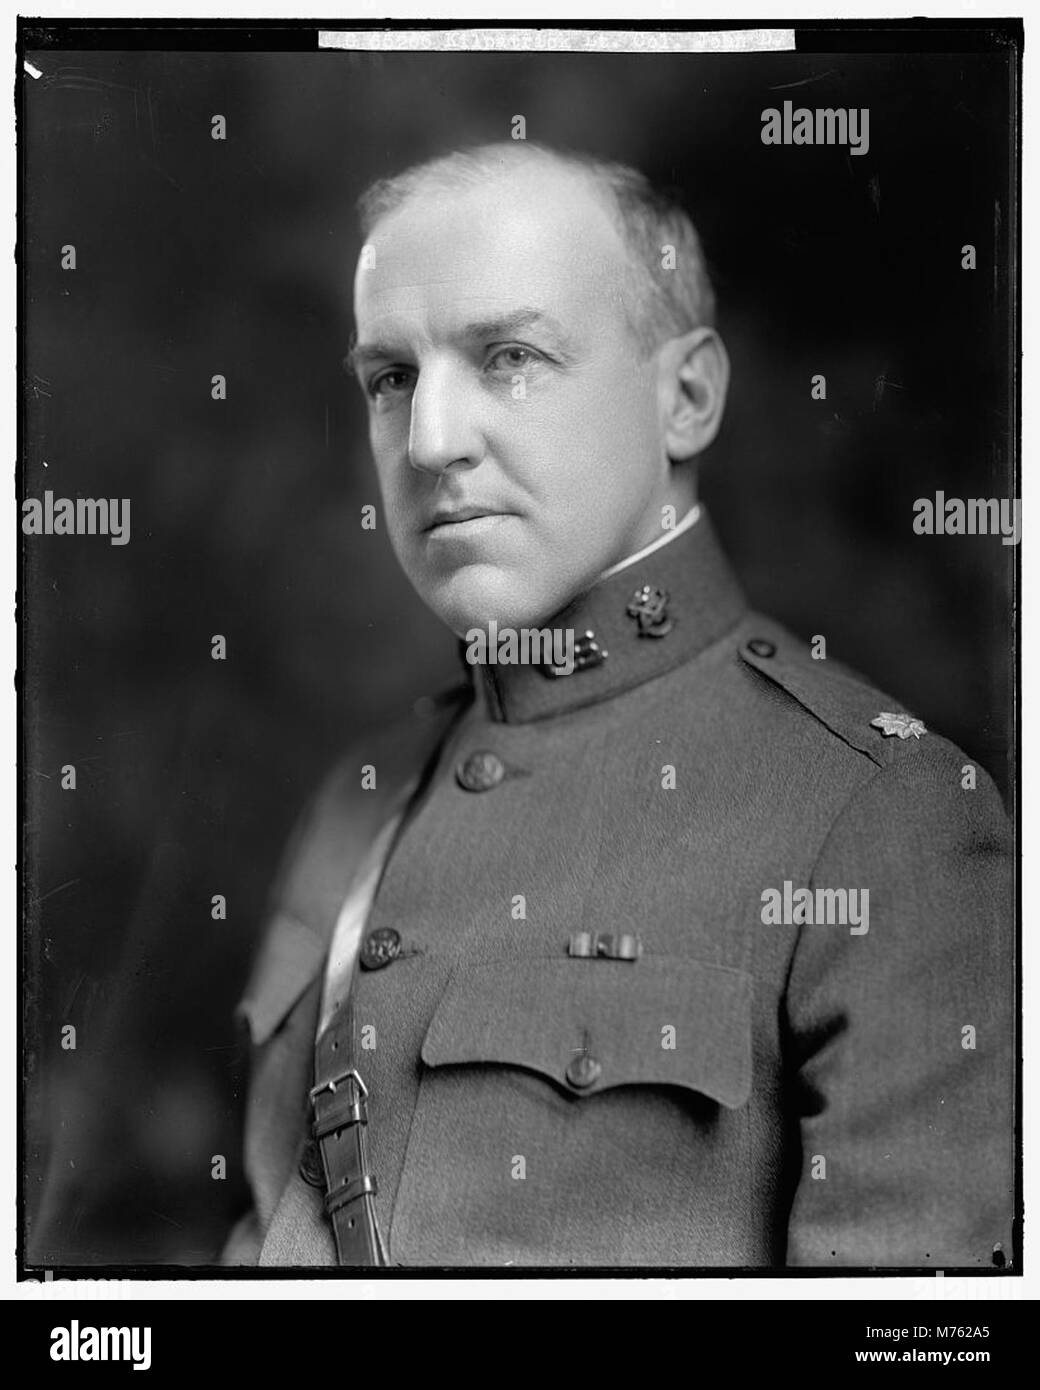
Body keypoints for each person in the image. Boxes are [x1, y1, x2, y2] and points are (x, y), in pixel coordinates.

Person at [221, 140, 1014, 1268]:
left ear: (682, 397)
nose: (431, 439)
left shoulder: (888, 814)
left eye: (510, 356)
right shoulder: (357, 800)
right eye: (390, 377)